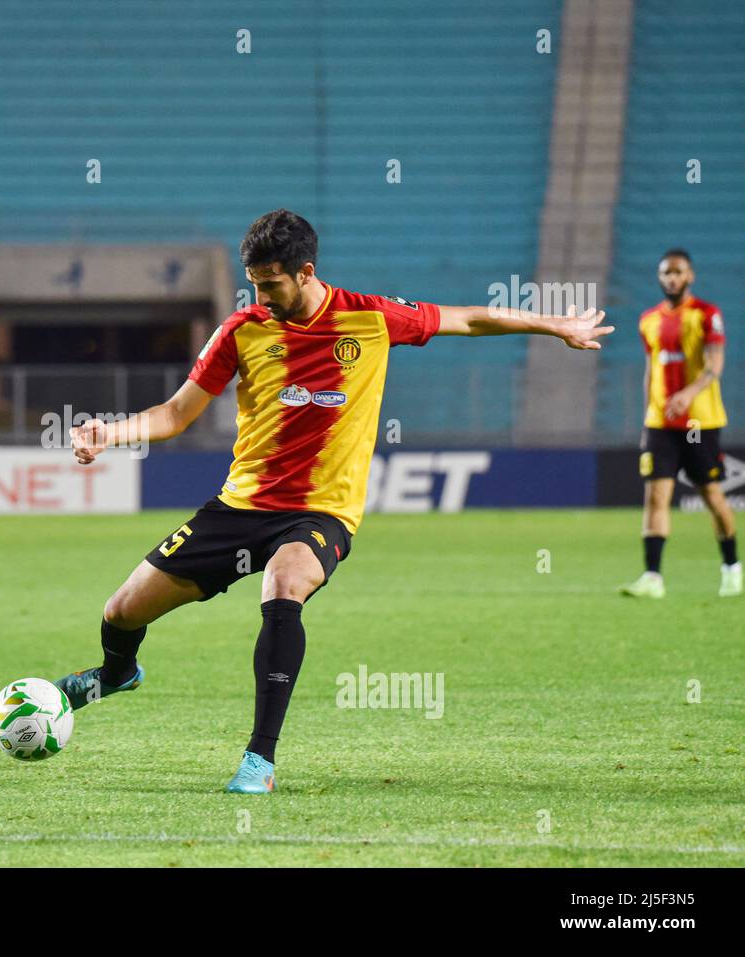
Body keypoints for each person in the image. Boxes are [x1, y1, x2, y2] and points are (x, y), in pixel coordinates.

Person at [57, 209, 612, 793]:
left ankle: (259, 761)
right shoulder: (242, 330)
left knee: (283, 584)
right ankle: (117, 674)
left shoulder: (369, 318)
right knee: (122, 611)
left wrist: (554, 326)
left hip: (320, 511)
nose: (260, 296)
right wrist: (110, 433)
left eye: (271, 283)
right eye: (253, 284)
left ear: (306, 272)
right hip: (239, 506)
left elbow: (469, 319)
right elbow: (175, 414)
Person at [619, 249, 738, 599]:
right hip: (660, 423)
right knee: (656, 496)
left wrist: (688, 394)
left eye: (678, 272)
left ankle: (732, 568)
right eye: (666, 273)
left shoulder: (707, 314)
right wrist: (647, 418)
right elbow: (651, 370)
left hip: (700, 421)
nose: (672, 278)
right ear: (660, 278)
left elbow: (715, 365)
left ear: (690, 276)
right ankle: (652, 577)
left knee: (711, 494)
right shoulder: (648, 320)